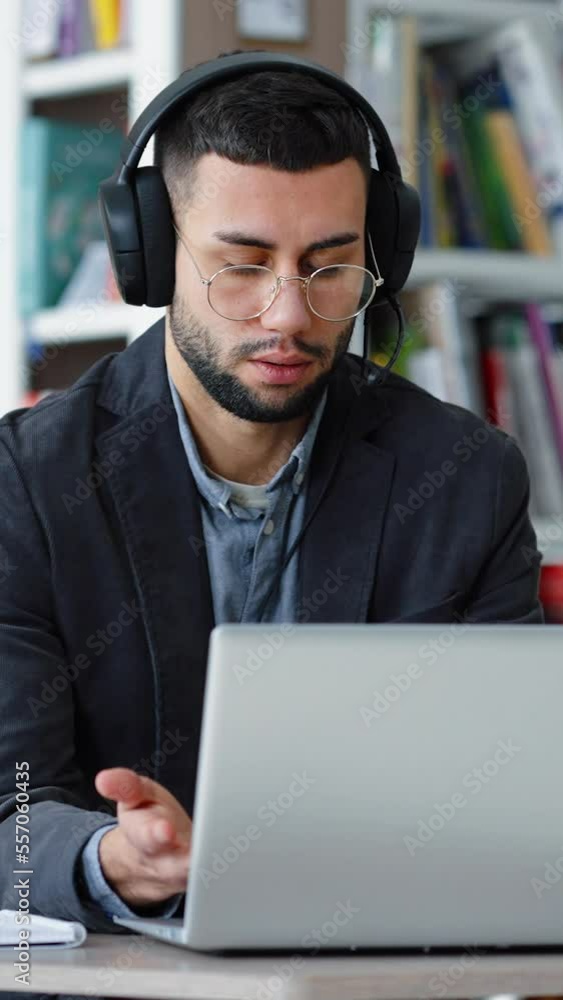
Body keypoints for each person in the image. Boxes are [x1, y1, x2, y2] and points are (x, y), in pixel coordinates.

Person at [0, 49, 543, 945]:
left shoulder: (464, 477)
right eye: (241, 265)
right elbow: (7, 813)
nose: (289, 313)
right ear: (152, 259)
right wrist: (109, 858)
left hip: (363, 976)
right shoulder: (28, 483)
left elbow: (505, 799)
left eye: (328, 266)